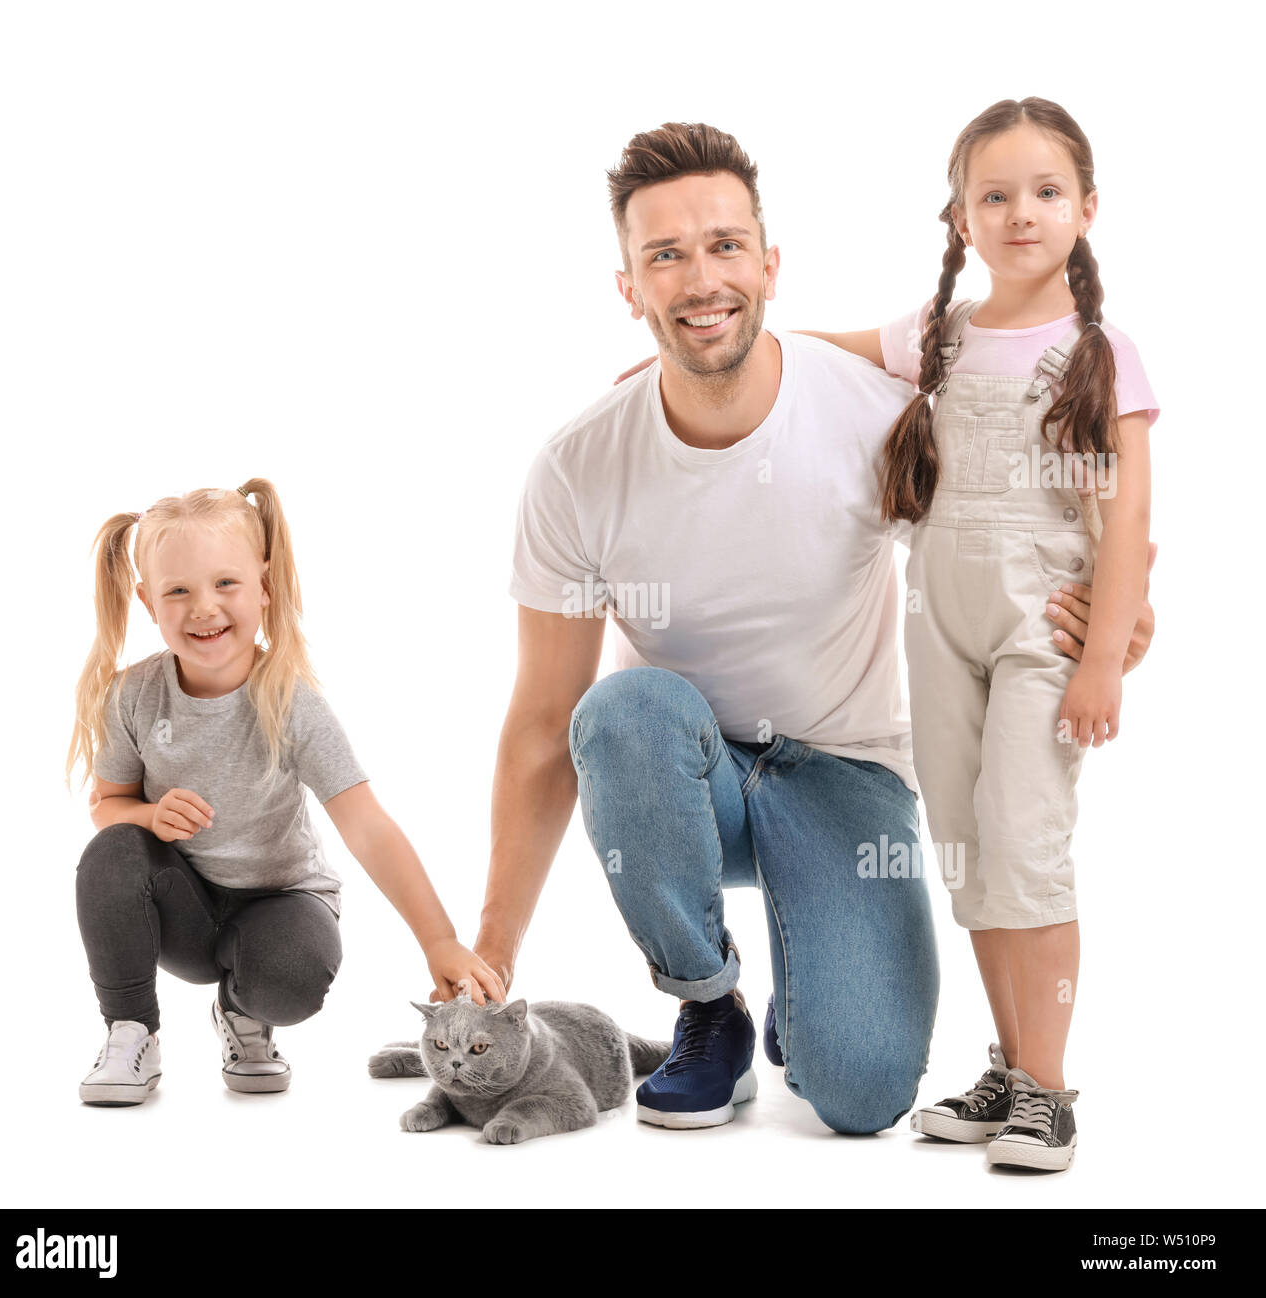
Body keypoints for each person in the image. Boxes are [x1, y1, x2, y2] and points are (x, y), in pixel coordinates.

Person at [471, 123, 1154, 1134]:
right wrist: (492, 948)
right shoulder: (578, 463)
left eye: (723, 246)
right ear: (629, 287)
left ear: (769, 265)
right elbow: (542, 724)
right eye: (666, 255)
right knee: (621, 713)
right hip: (684, 776)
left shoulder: (880, 413)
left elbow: (1011, 526)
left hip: (843, 773)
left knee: (864, 1087)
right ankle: (709, 1005)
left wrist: (1119, 616)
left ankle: (827, 982)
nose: (701, 279)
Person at [800, 98, 1155, 1172]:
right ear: (958, 218)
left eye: (1045, 192)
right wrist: (697, 362)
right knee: (965, 835)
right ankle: (1008, 1061)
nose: (1018, 213)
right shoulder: (938, 333)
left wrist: (1101, 659)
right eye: (991, 195)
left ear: (1087, 209)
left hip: (1037, 619)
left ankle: (1049, 1090)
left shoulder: (1101, 352)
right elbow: (821, 357)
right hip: (936, 613)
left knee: (1025, 834)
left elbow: (1129, 517)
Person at [67, 478, 503, 1106]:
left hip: (278, 906)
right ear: (147, 601)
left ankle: (242, 1013)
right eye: (178, 591)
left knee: (292, 976)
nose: (203, 608)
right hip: (184, 911)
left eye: (225, 584)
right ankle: (132, 1032)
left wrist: (438, 940)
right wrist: (148, 815)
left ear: (263, 586)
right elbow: (106, 805)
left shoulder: (290, 701)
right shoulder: (134, 695)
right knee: (111, 854)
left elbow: (367, 826)